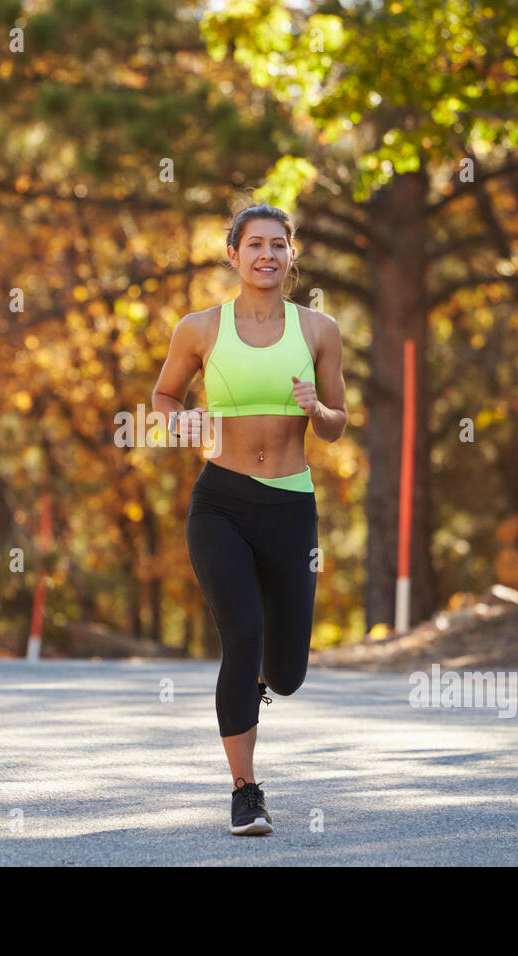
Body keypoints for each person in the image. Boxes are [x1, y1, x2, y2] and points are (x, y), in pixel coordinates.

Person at [151, 203, 348, 835]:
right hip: (223, 502)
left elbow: (338, 425)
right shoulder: (201, 329)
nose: (266, 254)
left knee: (285, 672)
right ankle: (246, 791)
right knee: (242, 632)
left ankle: (265, 673)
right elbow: (163, 395)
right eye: (254, 244)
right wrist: (177, 418)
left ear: (293, 256)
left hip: (291, 504)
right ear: (233, 254)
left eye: (278, 245)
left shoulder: (319, 330)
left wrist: (318, 408)